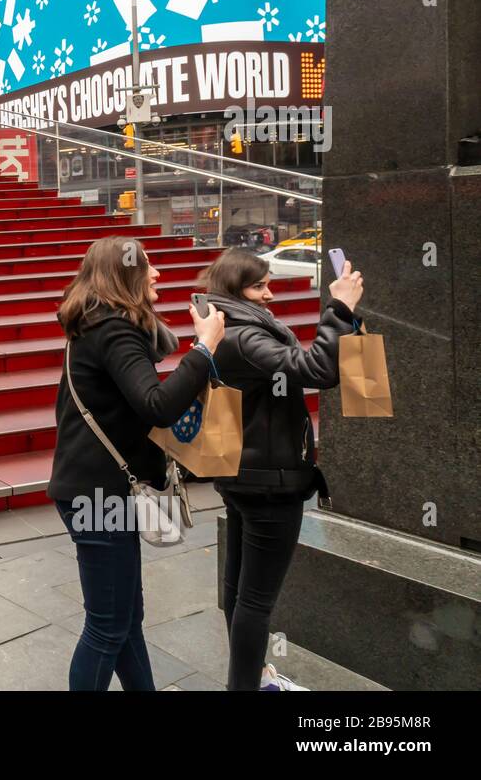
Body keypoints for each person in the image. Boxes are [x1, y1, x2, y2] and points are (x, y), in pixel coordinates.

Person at [51, 235, 225, 690]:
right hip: (99, 496)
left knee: (125, 619)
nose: (157, 274)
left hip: (97, 490)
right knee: (107, 626)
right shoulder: (112, 330)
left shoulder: (98, 325)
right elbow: (157, 405)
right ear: (124, 274)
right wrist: (203, 350)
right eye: (148, 267)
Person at [199, 248, 363, 691]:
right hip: (269, 483)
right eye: (259, 285)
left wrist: (347, 320)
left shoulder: (232, 329)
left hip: (245, 476)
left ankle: (252, 677)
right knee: (255, 599)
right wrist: (340, 307)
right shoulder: (245, 338)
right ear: (236, 289)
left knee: (239, 589)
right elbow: (319, 369)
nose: (269, 293)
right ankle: (248, 686)